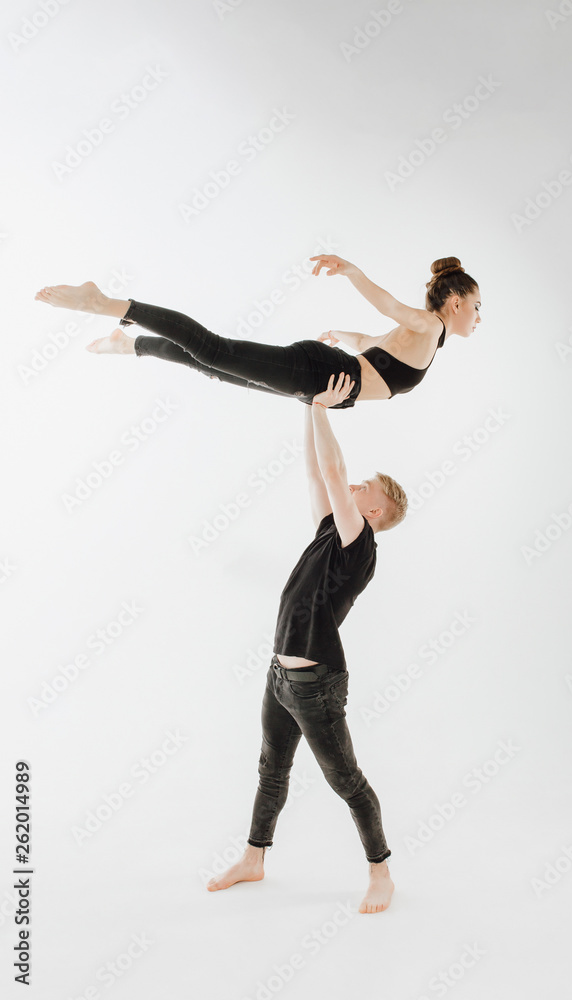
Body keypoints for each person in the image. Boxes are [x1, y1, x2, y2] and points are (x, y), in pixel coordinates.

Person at [206, 372, 408, 913]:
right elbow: (318, 471)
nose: (353, 487)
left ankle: (381, 873)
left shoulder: (358, 543)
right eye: (357, 484)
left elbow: (335, 470)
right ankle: (253, 858)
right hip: (281, 677)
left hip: (316, 684)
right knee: (271, 769)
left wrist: (322, 408)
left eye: (364, 488)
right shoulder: (330, 531)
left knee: (347, 781)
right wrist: (306, 403)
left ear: (375, 512)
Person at [34, 255, 481, 408]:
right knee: (213, 350)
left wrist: (340, 333)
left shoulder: (419, 339)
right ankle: (104, 303)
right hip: (321, 374)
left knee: (214, 367)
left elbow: (370, 344)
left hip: (323, 383)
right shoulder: (430, 325)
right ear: (455, 303)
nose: (478, 317)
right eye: (476, 307)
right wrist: (352, 272)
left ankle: (130, 344)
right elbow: (389, 305)